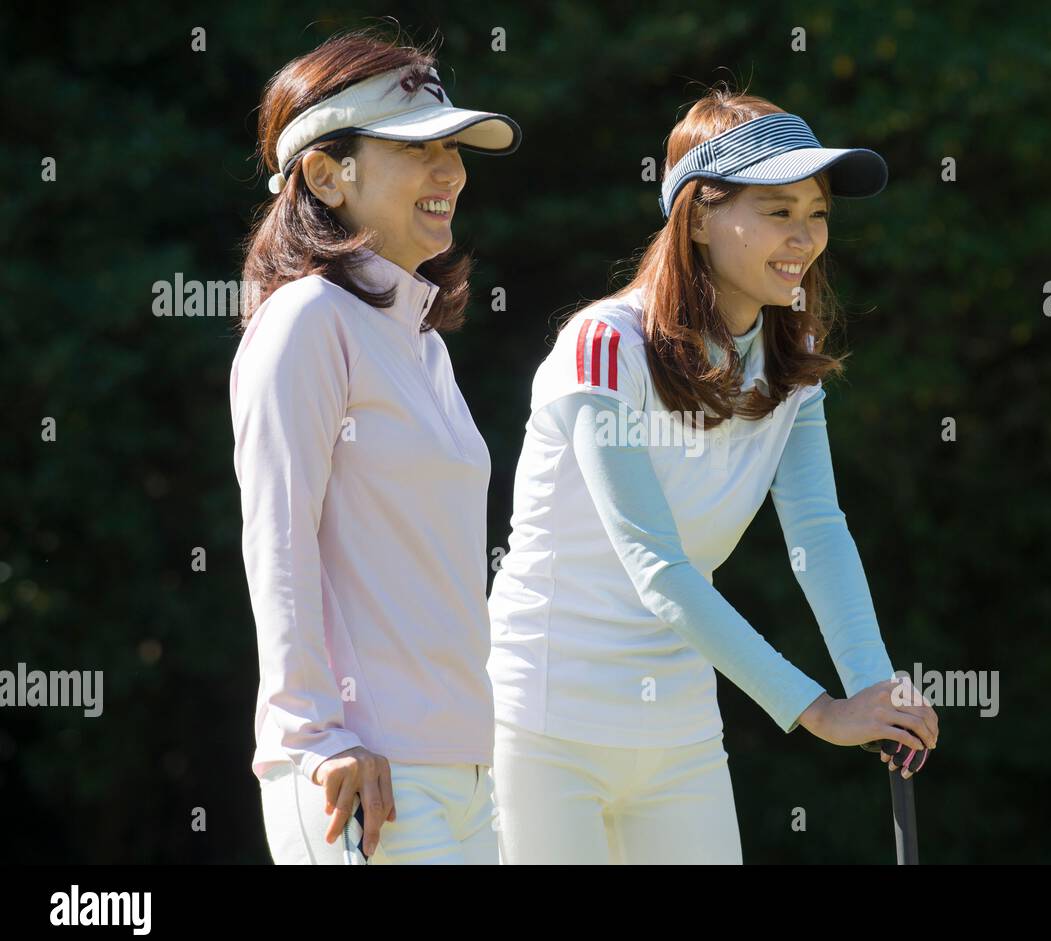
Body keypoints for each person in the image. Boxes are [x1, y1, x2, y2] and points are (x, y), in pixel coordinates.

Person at [486, 87, 938, 864]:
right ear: (697, 215)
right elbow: (655, 565)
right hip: (545, 722)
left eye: (818, 213)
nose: (805, 237)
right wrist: (817, 710)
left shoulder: (791, 366)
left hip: (681, 727)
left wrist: (874, 688)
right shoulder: (603, 346)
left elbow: (818, 531)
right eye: (777, 210)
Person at [230, 29, 520, 864]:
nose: (451, 172)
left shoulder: (425, 343)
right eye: (417, 150)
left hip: (464, 780)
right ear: (326, 174)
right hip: (359, 774)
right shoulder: (306, 320)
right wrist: (317, 737)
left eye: (454, 150)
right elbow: (276, 541)